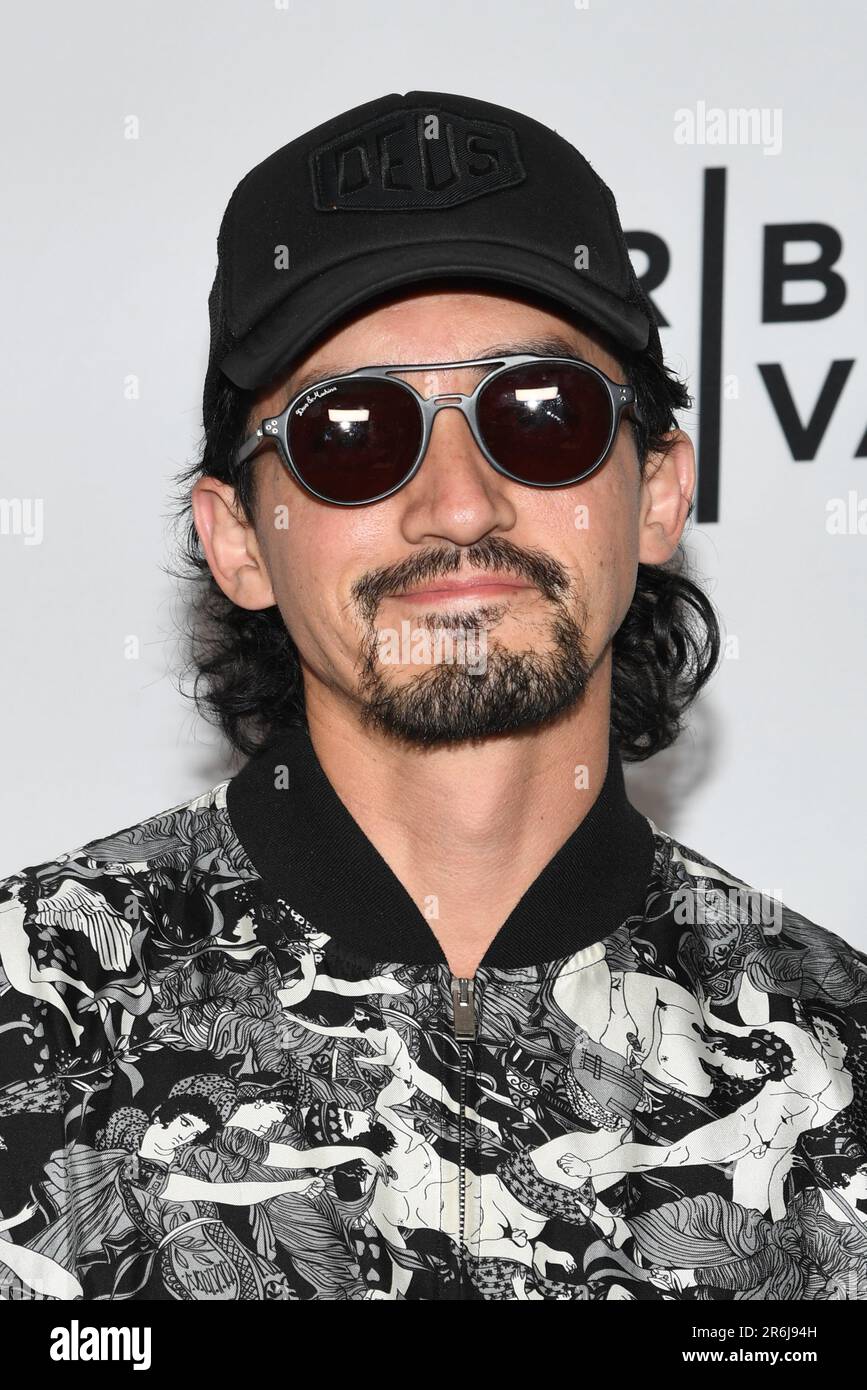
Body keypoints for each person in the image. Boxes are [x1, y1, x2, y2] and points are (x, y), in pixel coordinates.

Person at [1, 90, 864, 1302]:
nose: (459, 506)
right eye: (350, 431)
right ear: (239, 535)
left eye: (543, 418)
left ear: (659, 493)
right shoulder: (22, 1007)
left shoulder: (840, 1071)